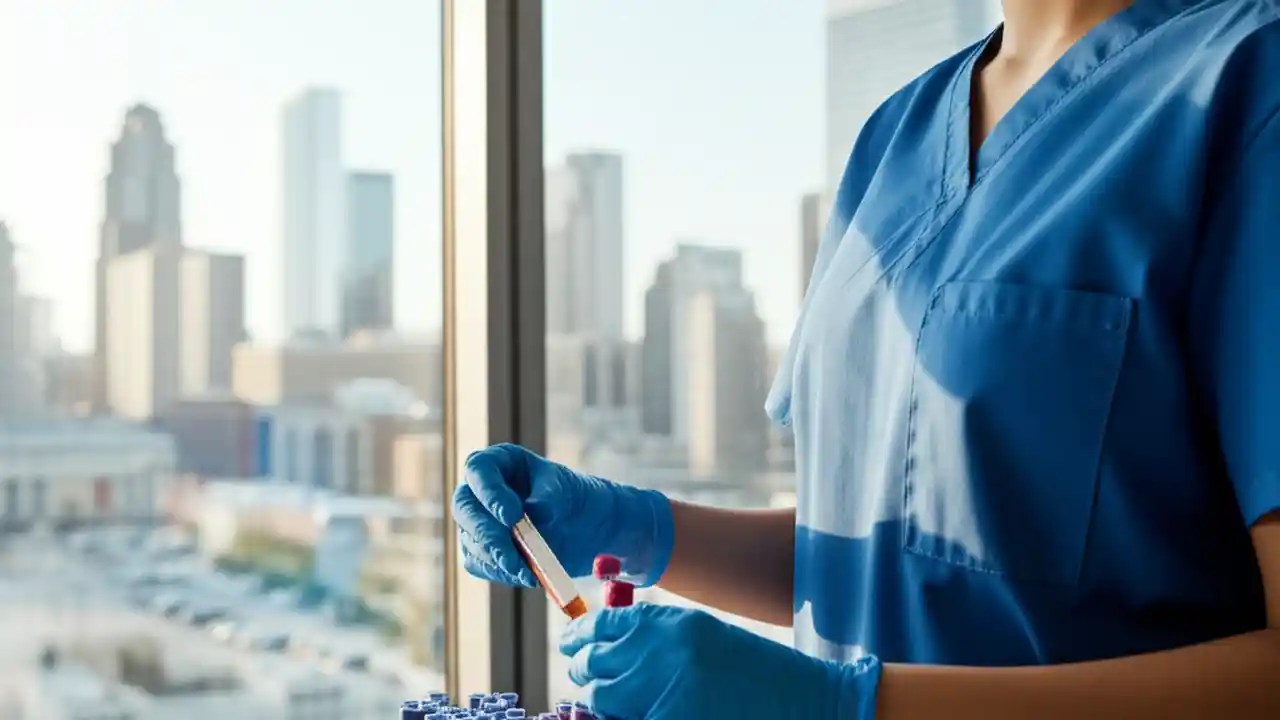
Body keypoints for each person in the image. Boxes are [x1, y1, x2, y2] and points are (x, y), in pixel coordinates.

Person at [454, 0, 1280, 717]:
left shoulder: (1248, 87)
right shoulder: (895, 135)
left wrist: (843, 707)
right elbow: (888, 560)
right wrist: (635, 528)